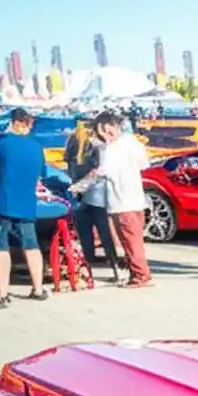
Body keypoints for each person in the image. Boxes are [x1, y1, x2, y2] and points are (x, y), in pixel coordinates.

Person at [75, 111, 152, 288]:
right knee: (135, 240)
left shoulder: (112, 148)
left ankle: (140, 276)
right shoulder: (132, 142)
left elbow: (102, 172)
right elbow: (144, 164)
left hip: (121, 201)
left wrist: (80, 185)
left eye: (99, 131)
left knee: (130, 241)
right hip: (135, 197)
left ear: (106, 127)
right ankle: (137, 272)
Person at [0, 108, 47, 307]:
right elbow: (41, 173)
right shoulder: (37, 146)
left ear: (14, 122)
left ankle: (2, 295)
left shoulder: (1, 144)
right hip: (27, 205)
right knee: (31, 245)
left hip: (3, 203)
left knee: (0, 247)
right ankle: (38, 289)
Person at [64, 119, 120, 282]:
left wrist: (75, 187)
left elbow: (77, 168)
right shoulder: (98, 146)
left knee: (90, 233)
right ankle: (112, 268)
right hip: (94, 196)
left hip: (91, 195)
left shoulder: (79, 142)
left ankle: (90, 270)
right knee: (101, 233)